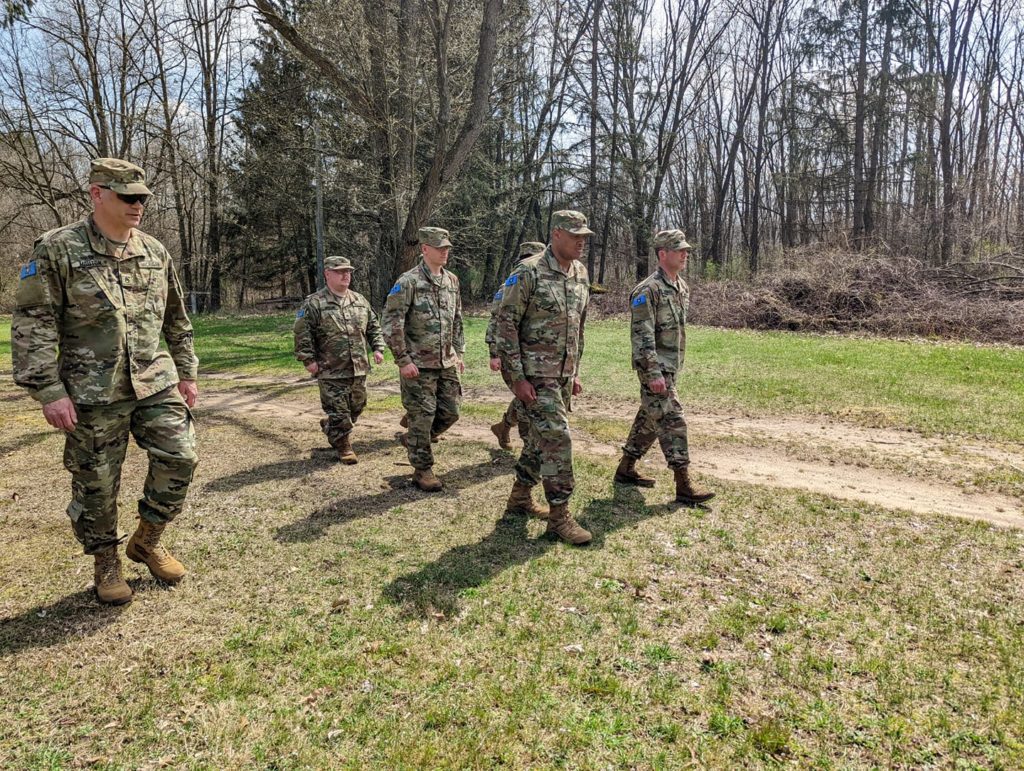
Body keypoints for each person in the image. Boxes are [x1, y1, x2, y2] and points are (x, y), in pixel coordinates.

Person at [11, 158, 199, 605]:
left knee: (181, 456)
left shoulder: (154, 251)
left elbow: (176, 318)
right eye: (127, 196)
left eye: (143, 197)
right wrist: (49, 391)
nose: (138, 204)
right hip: (91, 391)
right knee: (97, 483)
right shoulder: (58, 249)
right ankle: (106, 561)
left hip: (154, 381)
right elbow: (34, 324)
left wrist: (187, 370)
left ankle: (148, 539)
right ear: (97, 194)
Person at [496, 211, 592, 544]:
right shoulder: (528, 272)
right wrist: (516, 378)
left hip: (562, 374)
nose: (581, 242)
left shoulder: (580, 274)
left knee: (539, 439)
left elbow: (578, 327)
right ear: (556, 234)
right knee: (557, 438)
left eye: (584, 236)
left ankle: (520, 496)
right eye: (575, 235)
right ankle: (559, 516)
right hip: (535, 375)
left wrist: (574, 371)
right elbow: (506, 325)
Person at [615, 229, 715, 504]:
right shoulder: (647, 290)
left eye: (686, 250)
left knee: (650, 418)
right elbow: (642, 335)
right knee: (673, 419)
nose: (685, 254)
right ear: (662, 254)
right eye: (679, 250)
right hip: (655, 368)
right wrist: (653, 373)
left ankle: (625, 468)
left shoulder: (681, 287)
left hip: (671, 366)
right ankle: (683, 484)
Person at [381, 227, 465, 492]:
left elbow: (457, 319)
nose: (445, 251)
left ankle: (415, 438)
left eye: (447, 247)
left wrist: (459, 352)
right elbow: (391, 321)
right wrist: (403, 359)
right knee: (423, 415)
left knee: (451, 412)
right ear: (425, 249)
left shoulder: (451, 281)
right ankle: (422, 469)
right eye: (439, 247)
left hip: (446, 361)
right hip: (417, 364)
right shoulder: (409, 281)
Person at [294, 255, 385, 464]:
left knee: (357, 406)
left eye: (348, 271)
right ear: (327, 274)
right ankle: (343, 445)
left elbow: (373, 326)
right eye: (340, 271)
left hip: (358, 366)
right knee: (339, 412)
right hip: (330, 369)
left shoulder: (359, 300)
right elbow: (302, 333)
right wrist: (308, 360)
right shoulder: (314, 303)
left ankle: (331, 426)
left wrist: (378, 348)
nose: (346, 275)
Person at [485, 241, 546, 450]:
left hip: (536, 355)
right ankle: (530, 451)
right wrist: (494, 353)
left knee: (529, 397)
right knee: (527, 399)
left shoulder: (544, 285)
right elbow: (497, 320)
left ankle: (504, 426)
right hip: (512, 353)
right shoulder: (510, 285)